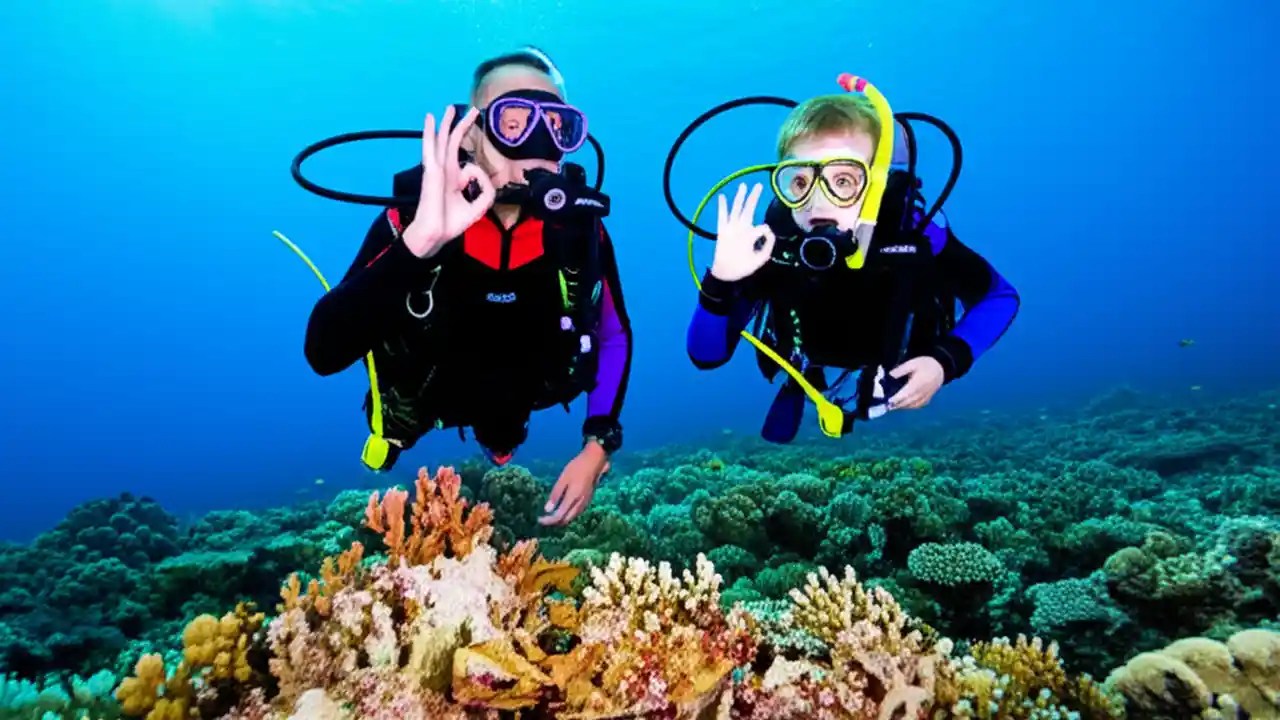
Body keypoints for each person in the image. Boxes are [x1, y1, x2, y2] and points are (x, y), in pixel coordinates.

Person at [302, 47, 632, 526]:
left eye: (558, 126)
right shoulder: (412, 219)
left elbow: (614, 334)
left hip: (528, 386)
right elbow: (323, 353)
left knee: (504, 431)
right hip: (435, 391)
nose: (540, 145)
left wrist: (598, 445)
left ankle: (501, 441)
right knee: (410, 421)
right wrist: (420, 243)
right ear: (471, 133)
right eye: (514, 122)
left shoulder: (579, 232)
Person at [680, 74, 1018, 442]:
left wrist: (944, 361)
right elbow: (706, 355)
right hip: (805, 369)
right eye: (800, 181)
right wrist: (720, 282)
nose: (817, 200)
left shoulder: (912, 230)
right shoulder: (774, 243)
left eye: (843, 181)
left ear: (876, 183)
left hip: (898, 366)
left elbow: (999, 297)